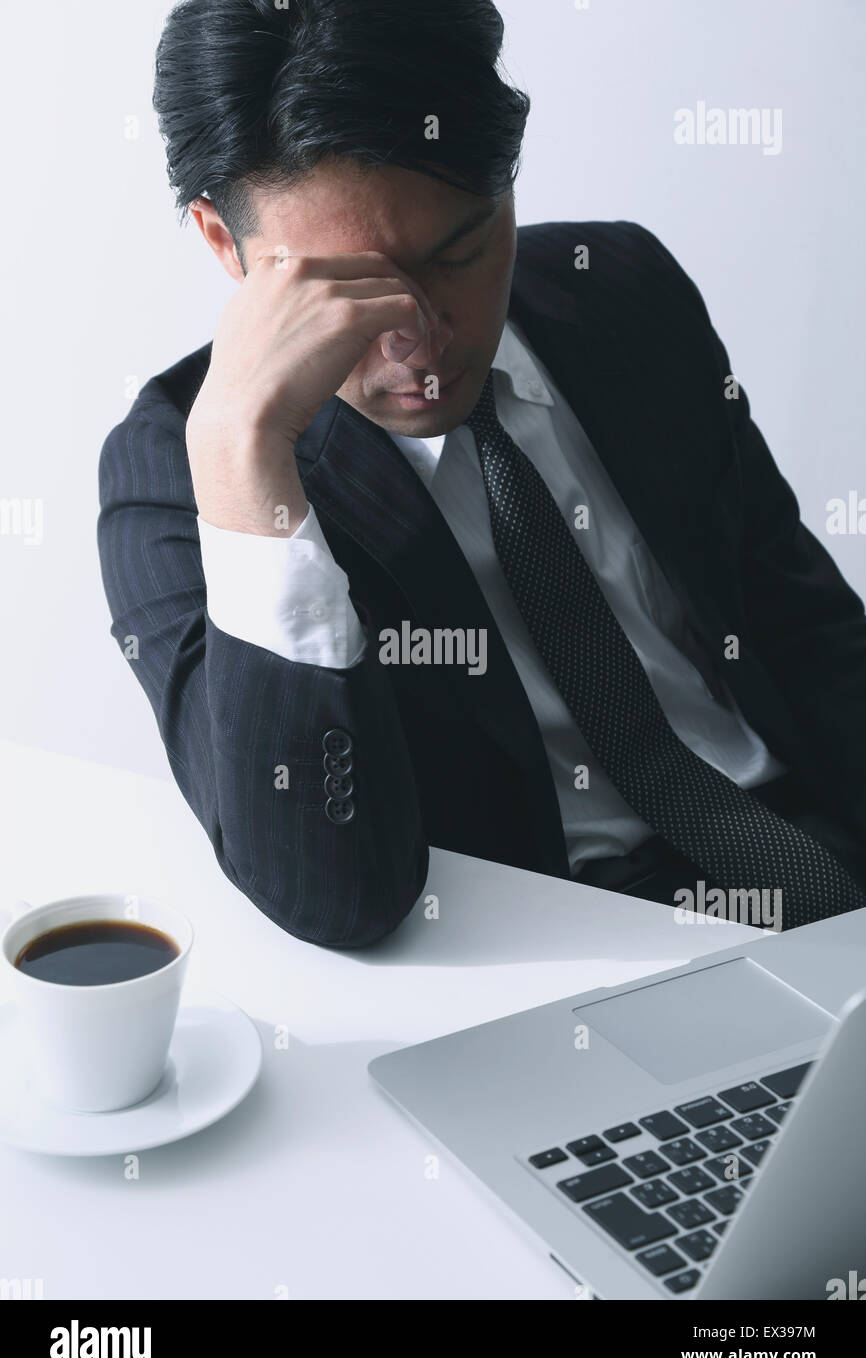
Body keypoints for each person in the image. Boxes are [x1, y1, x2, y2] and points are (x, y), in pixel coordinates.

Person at [97, 0, 866, 948]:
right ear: (226, 244)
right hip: (559, 955)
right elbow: (334, 898)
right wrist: (243, 468)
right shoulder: (176, 477)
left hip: (813, 848)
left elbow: (811, 633)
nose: (418, 339)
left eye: (457, 252)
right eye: (340, 289)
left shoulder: (622, 286)